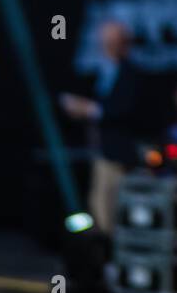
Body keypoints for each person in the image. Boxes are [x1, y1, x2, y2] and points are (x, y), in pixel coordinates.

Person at [60, 20, 144, 235]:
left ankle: (115, 259)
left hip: (118, 155)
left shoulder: (131, 73)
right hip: (100, 151)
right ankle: (103, 257)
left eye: (110, 40)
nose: (105, 45)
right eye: (104, 41)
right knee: (97, 208)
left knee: (112, 210)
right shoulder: (104, 72)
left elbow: (124, 109)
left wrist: (90, 109)